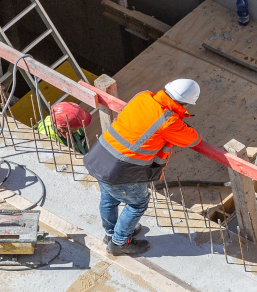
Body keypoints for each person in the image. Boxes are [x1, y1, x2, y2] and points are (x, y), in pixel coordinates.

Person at [82, 79, 201, 255]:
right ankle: (119, 243)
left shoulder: (143, 96)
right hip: (119, 169)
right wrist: (180, 121)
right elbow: (193, 139)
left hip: (99, 156)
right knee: (138, 203)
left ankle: (110, 234)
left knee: (109, 198)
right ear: (186, 103)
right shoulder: (169, 121)